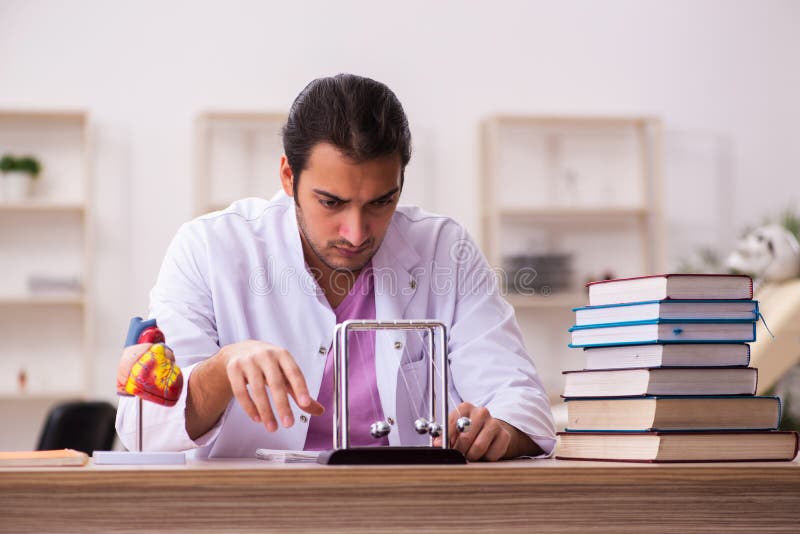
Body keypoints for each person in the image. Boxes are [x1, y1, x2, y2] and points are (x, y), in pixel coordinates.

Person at [116, 74, 556, 461]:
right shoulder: (208, 247)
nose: (356, 232)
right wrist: (224, 366)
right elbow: (146, 428)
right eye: (332, 202)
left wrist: (499, 432)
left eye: (382, 202)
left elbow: (522, 402)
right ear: (289, 177)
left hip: (411, 509)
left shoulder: (445, 249)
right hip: (252, 512)